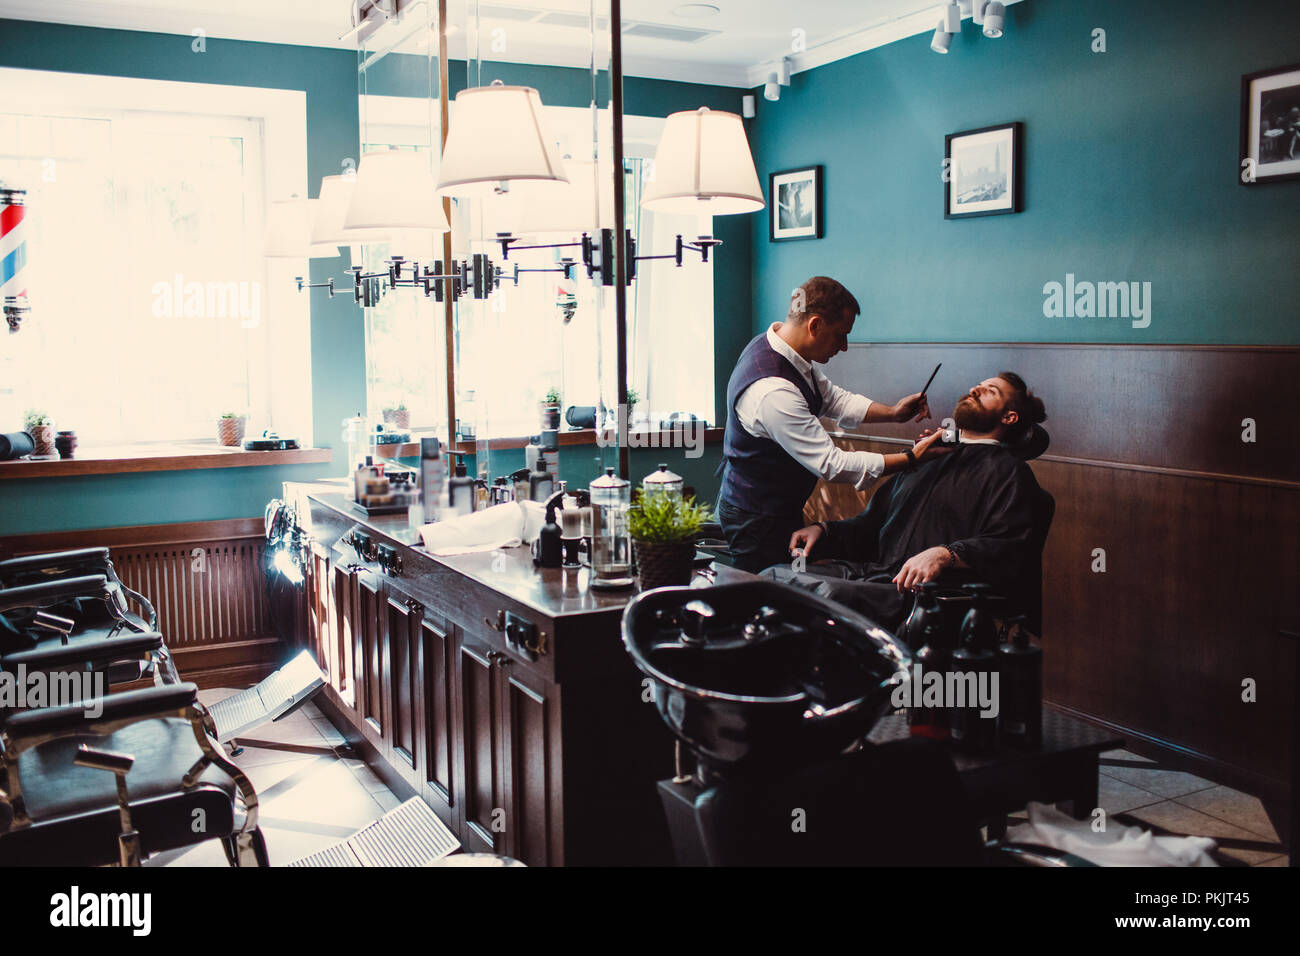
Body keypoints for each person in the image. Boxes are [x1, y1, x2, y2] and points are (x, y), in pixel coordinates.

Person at [770, 372, 1049, 630]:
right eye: (978, 386)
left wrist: (945, 554)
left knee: (826, 598)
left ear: (1009, 417)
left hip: (925, 594)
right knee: (773, 577)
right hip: (877, 576)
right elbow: (871, 525)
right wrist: (824, 530)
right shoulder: (926, 457)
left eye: (990, 391)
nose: (975, 389)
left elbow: (1009, 545)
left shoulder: (1009, 472)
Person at [718, 276, 948, 573]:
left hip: (779, 508)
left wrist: (893, 413)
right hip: (756, 518)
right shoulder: (772, 391)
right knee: (764, 598)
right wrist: (911, 458)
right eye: (841, 335)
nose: (845, 346)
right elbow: (832, 464)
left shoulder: (785, 350)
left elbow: (833, 399)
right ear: (814, 326)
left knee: (792, 584)